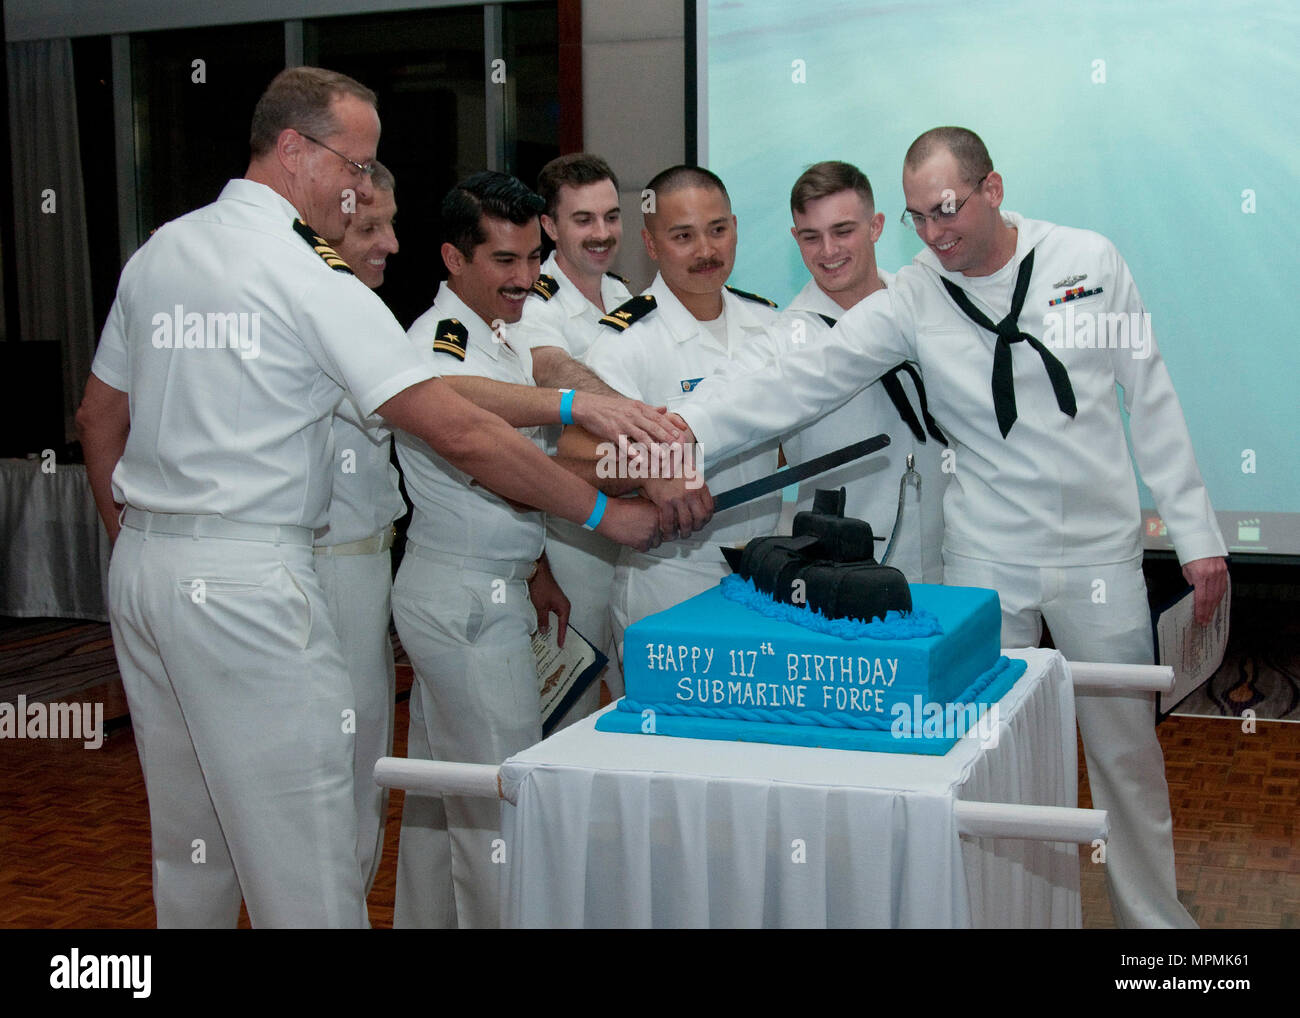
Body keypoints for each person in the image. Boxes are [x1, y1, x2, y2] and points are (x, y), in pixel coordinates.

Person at [73, 66, 672, 928]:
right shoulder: (305, 270)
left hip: (147, 567)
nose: (362, 192)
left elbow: (98, 419)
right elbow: (458, 429)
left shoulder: (164, 247)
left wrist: (144, 546)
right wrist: (608, 514)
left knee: (191, 849)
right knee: (313, 862)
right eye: (356, 168)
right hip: (251, 578)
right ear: (293, 150)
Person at [672, 127, 1228, 929]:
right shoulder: (916, 294)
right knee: (983, 760)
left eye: (946, 211)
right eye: (916, 220)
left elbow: (1153, 394)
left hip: (1098, 554)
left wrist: (1197, 532)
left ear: (992, 189)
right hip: (986, 559)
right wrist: (678, 432)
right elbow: (798, 382)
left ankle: (1156, 930)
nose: (934, 235)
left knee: (1126, 758)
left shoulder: (1088, 260)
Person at [391, 171, 711, 928]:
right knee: (504, 811)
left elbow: (519, 466)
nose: (525, 278)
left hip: (489, 585)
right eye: (504, 260)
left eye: (533, 259)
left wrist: (537, 569)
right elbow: (465, 422)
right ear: (452, 258)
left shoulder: (502, 337)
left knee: (448, 801)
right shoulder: (436, 345)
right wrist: (584, 431)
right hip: (462, 598)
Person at [571, 165, 791, 667]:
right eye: (682, 236)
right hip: (671, 578)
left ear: (735, 226)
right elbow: (578, 458)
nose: (706, 251)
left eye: (717, 230)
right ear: (651, 245)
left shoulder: (771, 324)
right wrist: (652, 472)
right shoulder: (625, 342)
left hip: (763, 572)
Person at [782, 160, 946, 582]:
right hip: (843, 571)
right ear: (794, 239)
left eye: (843, 231)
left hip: (955, 556)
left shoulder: (929, 307)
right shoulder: (783, 344)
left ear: (875, 226)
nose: (828, 251)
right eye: (811, 237)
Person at [515, 154, 634, 707]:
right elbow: (549, 366)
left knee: (637, 680)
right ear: (549, 225)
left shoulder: (628, 297)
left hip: (637, 519)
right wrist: (636, 419)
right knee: (573, 696)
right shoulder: (532, 300)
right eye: (584, 220)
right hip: (570, 532)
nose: (602, 233)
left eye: (611, 217)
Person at [315, 159, 401, 900]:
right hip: (334, 571)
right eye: (370, 227)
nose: (390, 243)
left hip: (359, 571)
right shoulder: (332, 307)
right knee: (348, 770)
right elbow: (442, 411)